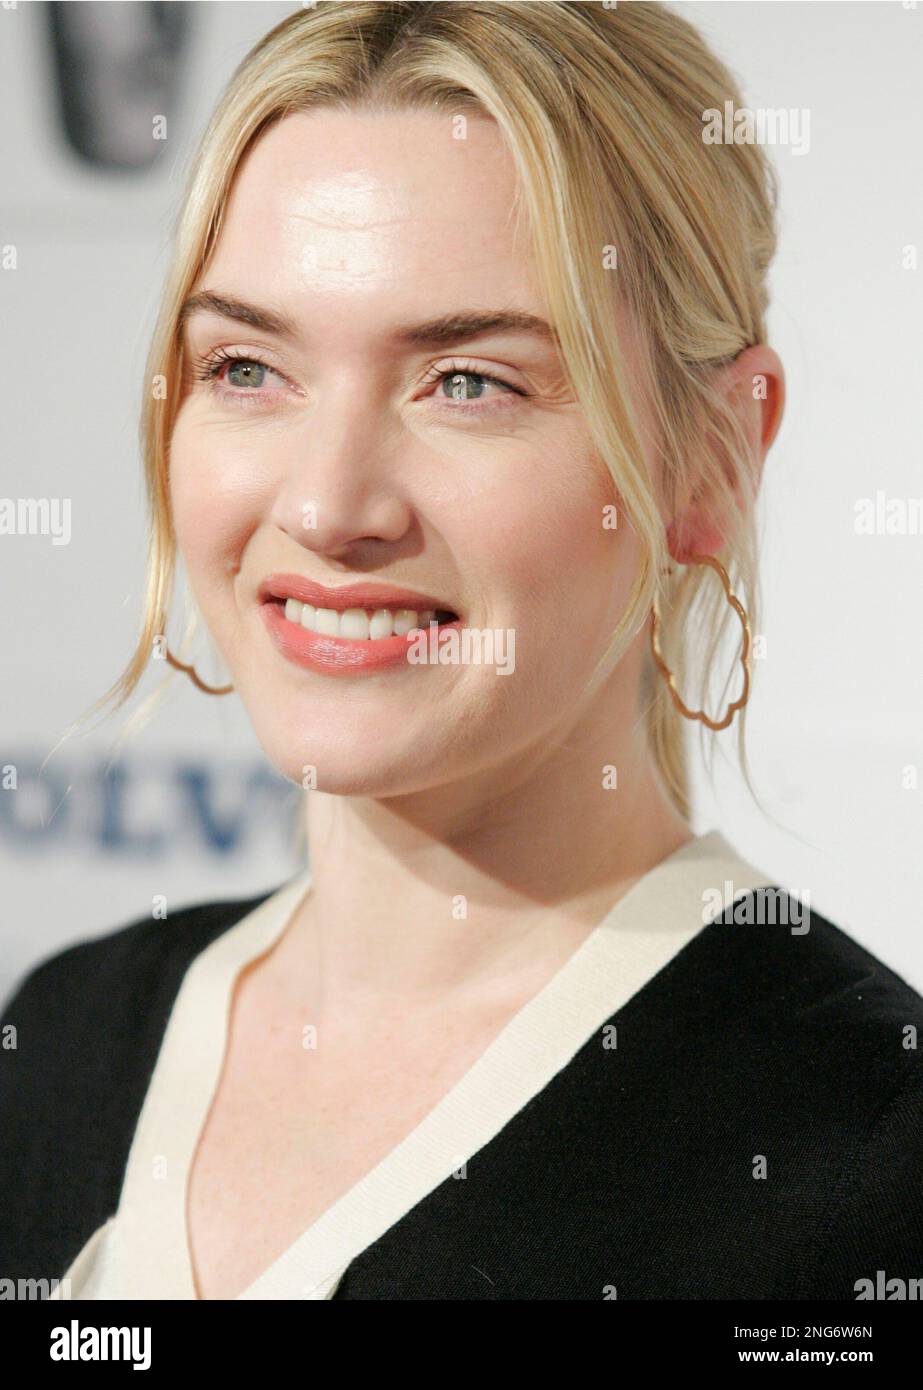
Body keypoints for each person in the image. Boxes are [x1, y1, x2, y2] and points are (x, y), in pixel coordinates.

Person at [2, 0, 921, 1301]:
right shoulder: (65, 1040)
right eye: (250, 366)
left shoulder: (866, 1159)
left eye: (469, 383)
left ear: (711, 459)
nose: (327, 505)